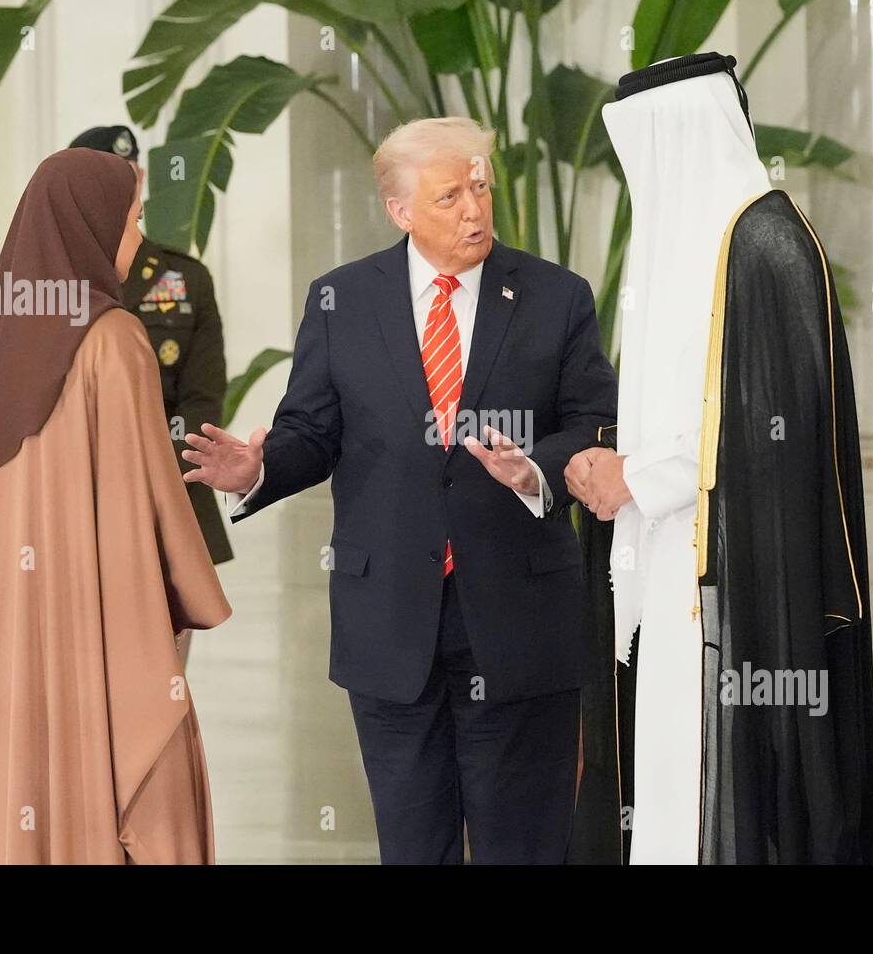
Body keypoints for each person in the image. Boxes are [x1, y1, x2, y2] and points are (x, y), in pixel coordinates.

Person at [183, 116, 618, 864]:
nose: (475, 210)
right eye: (449, 196)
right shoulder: (342, 300)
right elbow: (311, 434)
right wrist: (256, 471)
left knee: (524, 844)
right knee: (414, 846)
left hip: (518, 622)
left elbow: (594, 420)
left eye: (480, 187)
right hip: (389, 623)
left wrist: (536, 470)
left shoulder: (555, 295)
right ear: (400, 210)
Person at [573, 52, 873, 864]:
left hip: (744, 591)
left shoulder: (764, 244)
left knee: (728, 800)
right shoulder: (702, 242)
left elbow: (764, 433)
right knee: (680, 800)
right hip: (687, 570)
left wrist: (634, 478)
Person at [0, 148, 231, 864]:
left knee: (22, 768)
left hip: (2, 626)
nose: (136, 242)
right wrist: (194, 586)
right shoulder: (113, 339)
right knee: (120, 773)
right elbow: (149, 501)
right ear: (89, 226)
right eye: (130, 220)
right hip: (87, 616)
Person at [69, 125, 234, 568]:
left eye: (128, 174)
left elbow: (201, 397)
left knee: (171, 633)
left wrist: (153, 474)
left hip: (170, 490)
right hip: (72, 492)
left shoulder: (185, 278)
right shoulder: (44, 283)